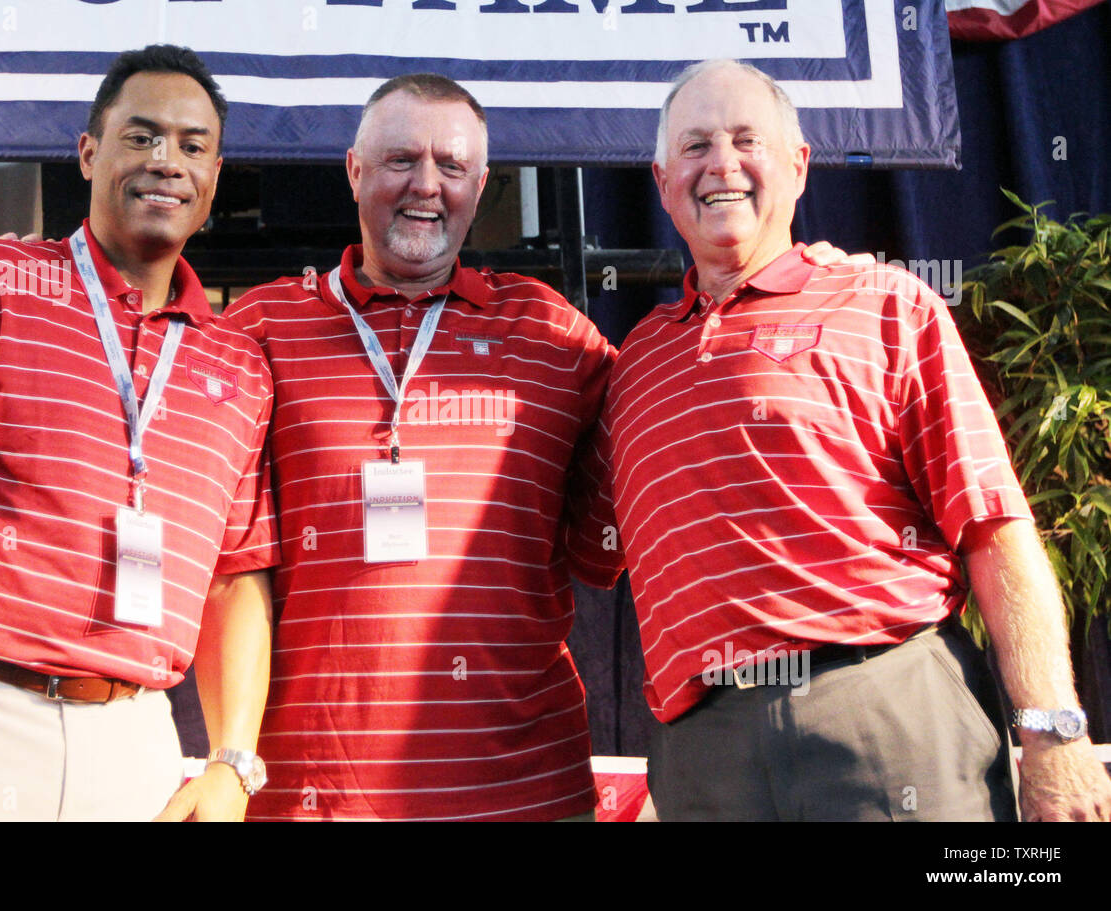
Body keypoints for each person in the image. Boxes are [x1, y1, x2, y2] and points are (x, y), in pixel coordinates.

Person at [224, 73, 855, 821]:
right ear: (355, 171)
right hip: (311, 794)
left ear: (481, 185)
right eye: (400, 160)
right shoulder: (259, 330)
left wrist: (801, 294)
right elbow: (225, 562)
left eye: (452, 167)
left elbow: (673, 442)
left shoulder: (552, 336)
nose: (426, 185)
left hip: (526, 792)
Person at [594, 58, 1111, 821]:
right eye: (696, 146)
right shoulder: (633, 364)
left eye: (747, 140)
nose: (722, 164)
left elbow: (995, 531)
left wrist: (1055, 732)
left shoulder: (887, 304)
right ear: (663, 178)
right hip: (703, 753)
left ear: (800, 167)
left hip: (887, 715)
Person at [0, 44, 279, 822]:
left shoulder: (240, 366)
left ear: (214, 180)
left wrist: (233, 763)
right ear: (88, 152)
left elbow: (234, 580)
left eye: (193, 146)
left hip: (136, 741)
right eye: (141, 137)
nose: (168, 161)